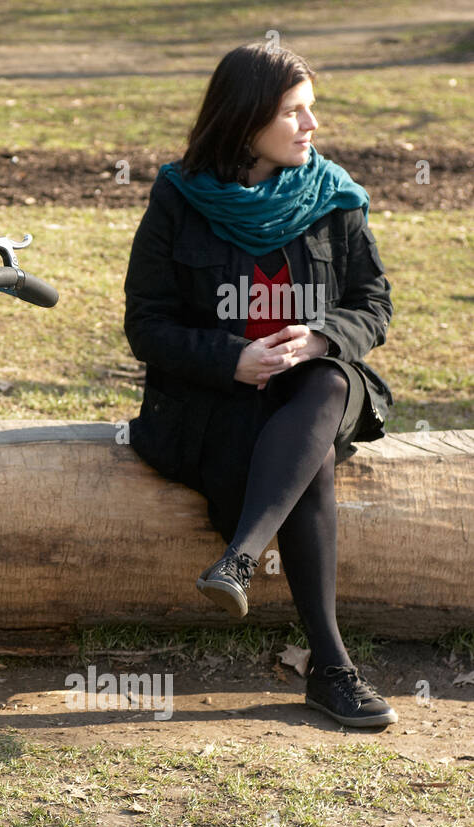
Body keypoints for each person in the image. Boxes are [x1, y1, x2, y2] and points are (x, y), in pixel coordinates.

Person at [123, 42, 398, 727]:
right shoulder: (177, 198)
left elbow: (374, 302)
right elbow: (146, 325)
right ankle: (332, 671)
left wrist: (321, 337)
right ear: (246, 121)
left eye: (312, 111)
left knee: (329, 379)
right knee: (311, 466)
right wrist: (230, 360)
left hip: (310, 392)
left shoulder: (332, 196)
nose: (311, 128)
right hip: (210, 406)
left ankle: (241, 561)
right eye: (293, 113)